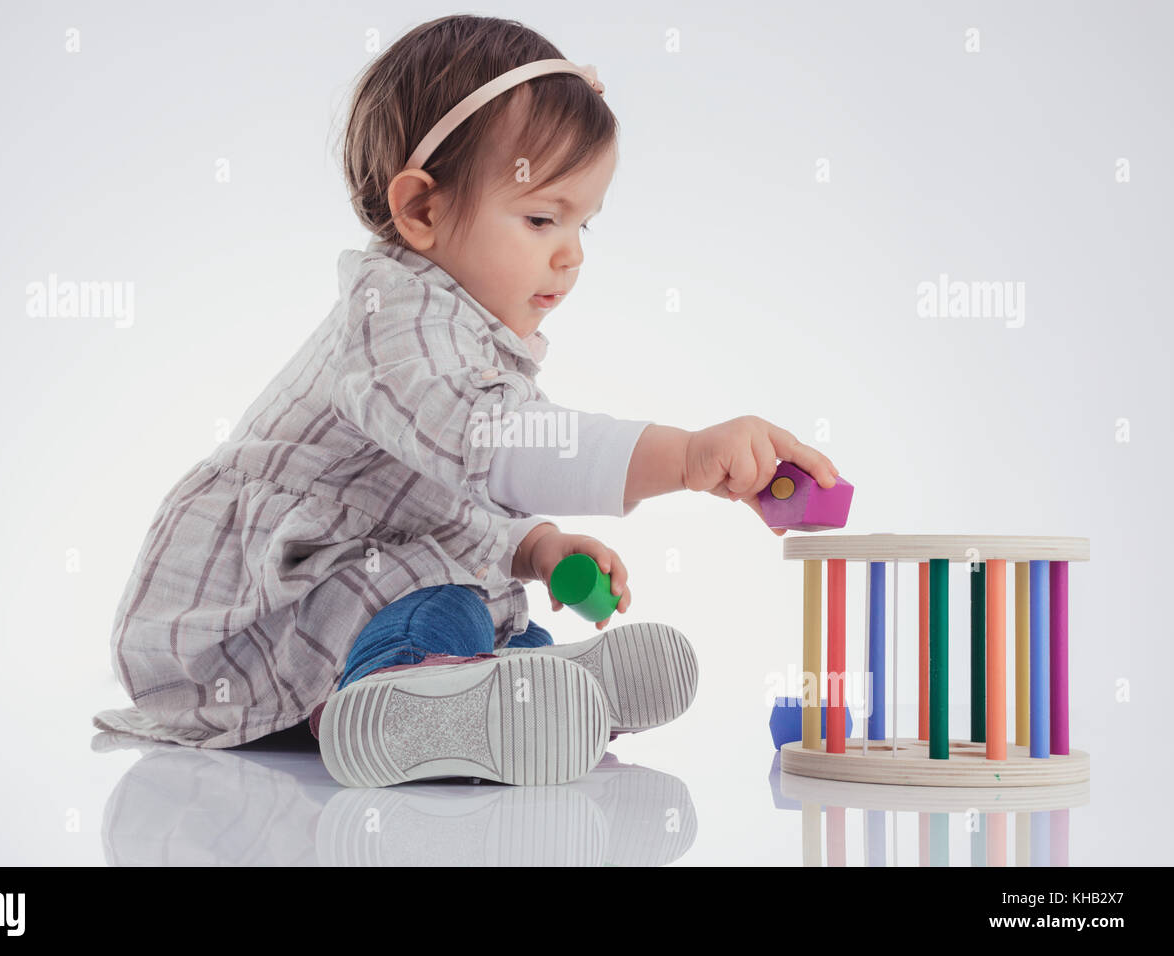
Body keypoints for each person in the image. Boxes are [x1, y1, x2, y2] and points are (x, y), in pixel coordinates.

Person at [92, 14, 839, 788]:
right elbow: (490, 447)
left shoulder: (469, 336)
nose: (572, 253)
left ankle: (522, 683)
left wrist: (535, 546)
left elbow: (459, 488)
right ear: (422, 211)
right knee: (439, 600)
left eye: (585, 224)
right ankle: (413, 697)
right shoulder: (392, 317)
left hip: (359, 580)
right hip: (258, 621)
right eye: (543, 218)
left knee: (488, 609)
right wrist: (682, 457)